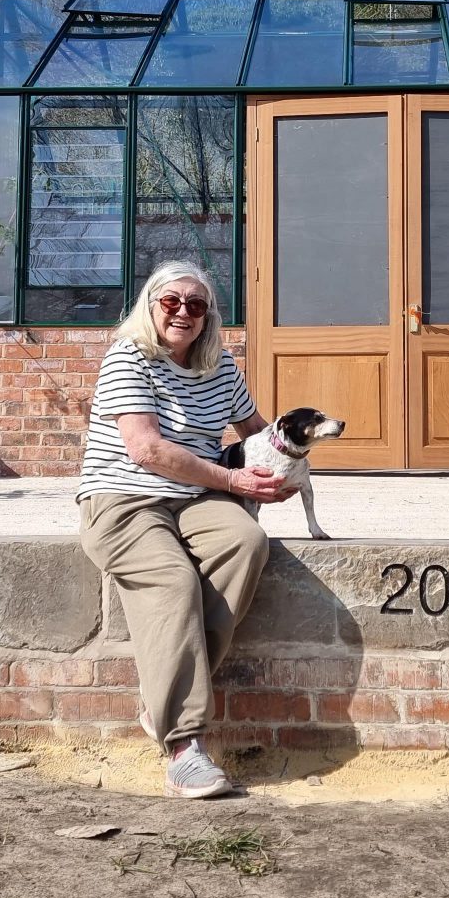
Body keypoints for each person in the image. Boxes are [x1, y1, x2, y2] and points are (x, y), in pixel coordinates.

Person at [77, 261, 293, 799]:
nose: (183, 313)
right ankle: (183, 745)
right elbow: (146, 449)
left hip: (195, 496)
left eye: (196, 305)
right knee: (173, 582)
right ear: (150, 306)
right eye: (171, 301)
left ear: (208, 316)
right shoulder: (128, 356)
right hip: (123, 497)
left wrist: (286, 465)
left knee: (246, 542)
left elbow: (256, 431)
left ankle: (162, 699)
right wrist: (233, 479)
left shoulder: (220, 365)